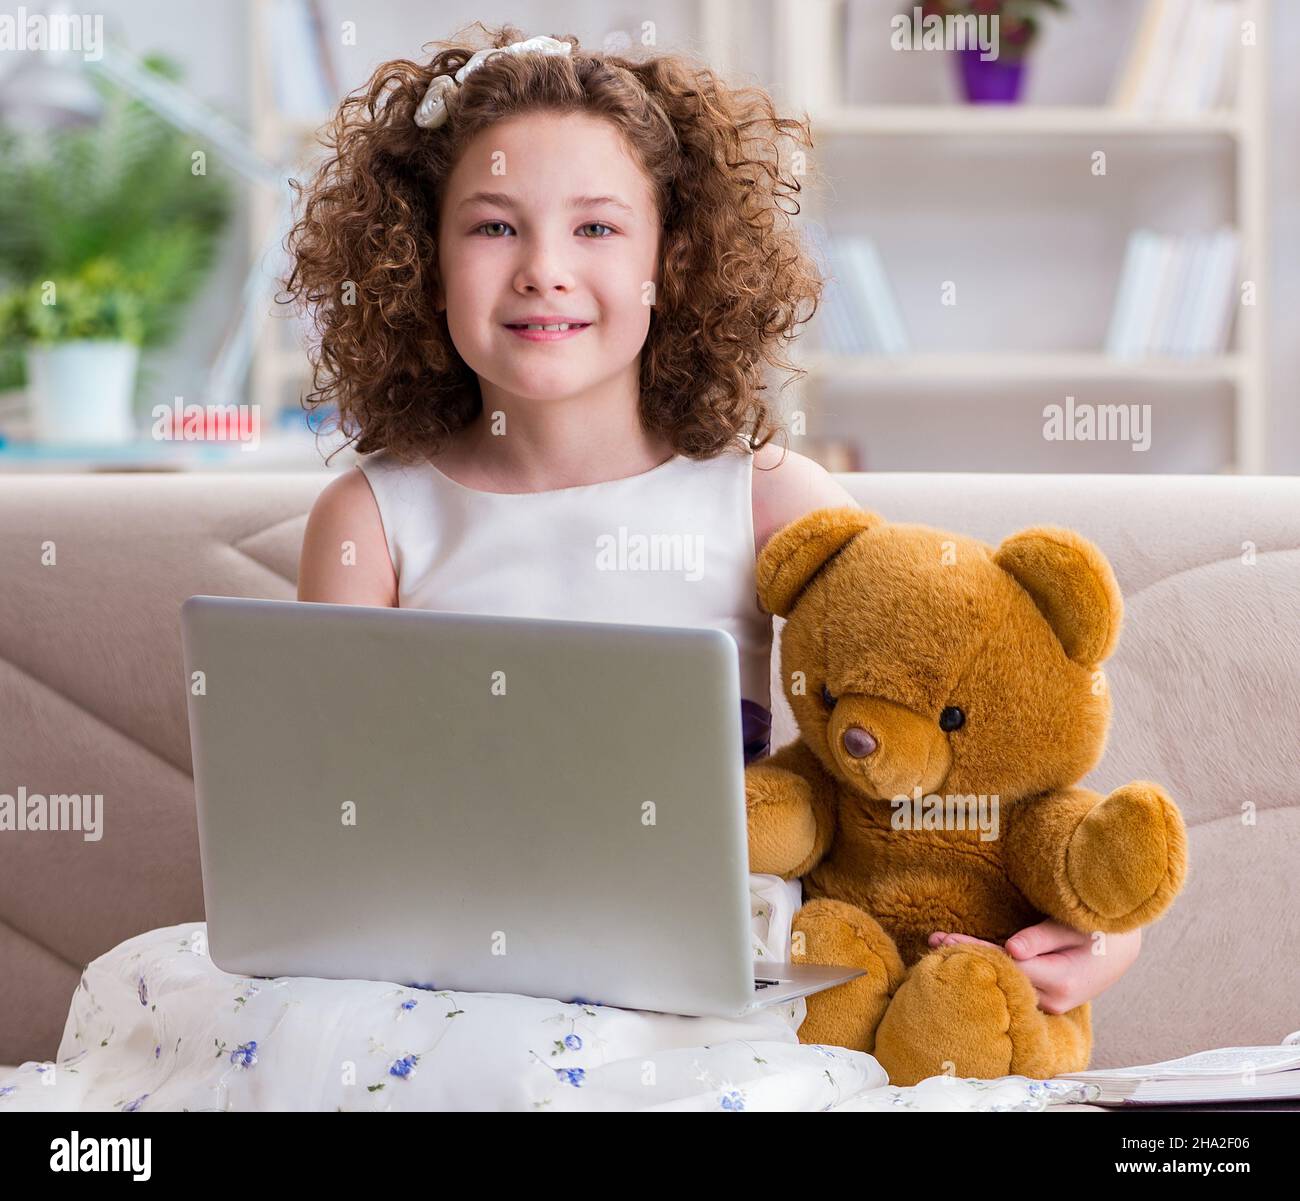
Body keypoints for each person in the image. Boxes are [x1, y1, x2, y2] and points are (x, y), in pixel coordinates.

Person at [285, 21, 1140, 1023]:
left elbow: (971, 717)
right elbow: (318, 823)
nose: (543, 269)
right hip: (437, 987)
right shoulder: (368, 518)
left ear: (674, 260)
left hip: (709, 989)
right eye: (492, 226)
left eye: (597, 228)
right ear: (420, 258)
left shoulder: (766, 498)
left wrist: (1100, 921)